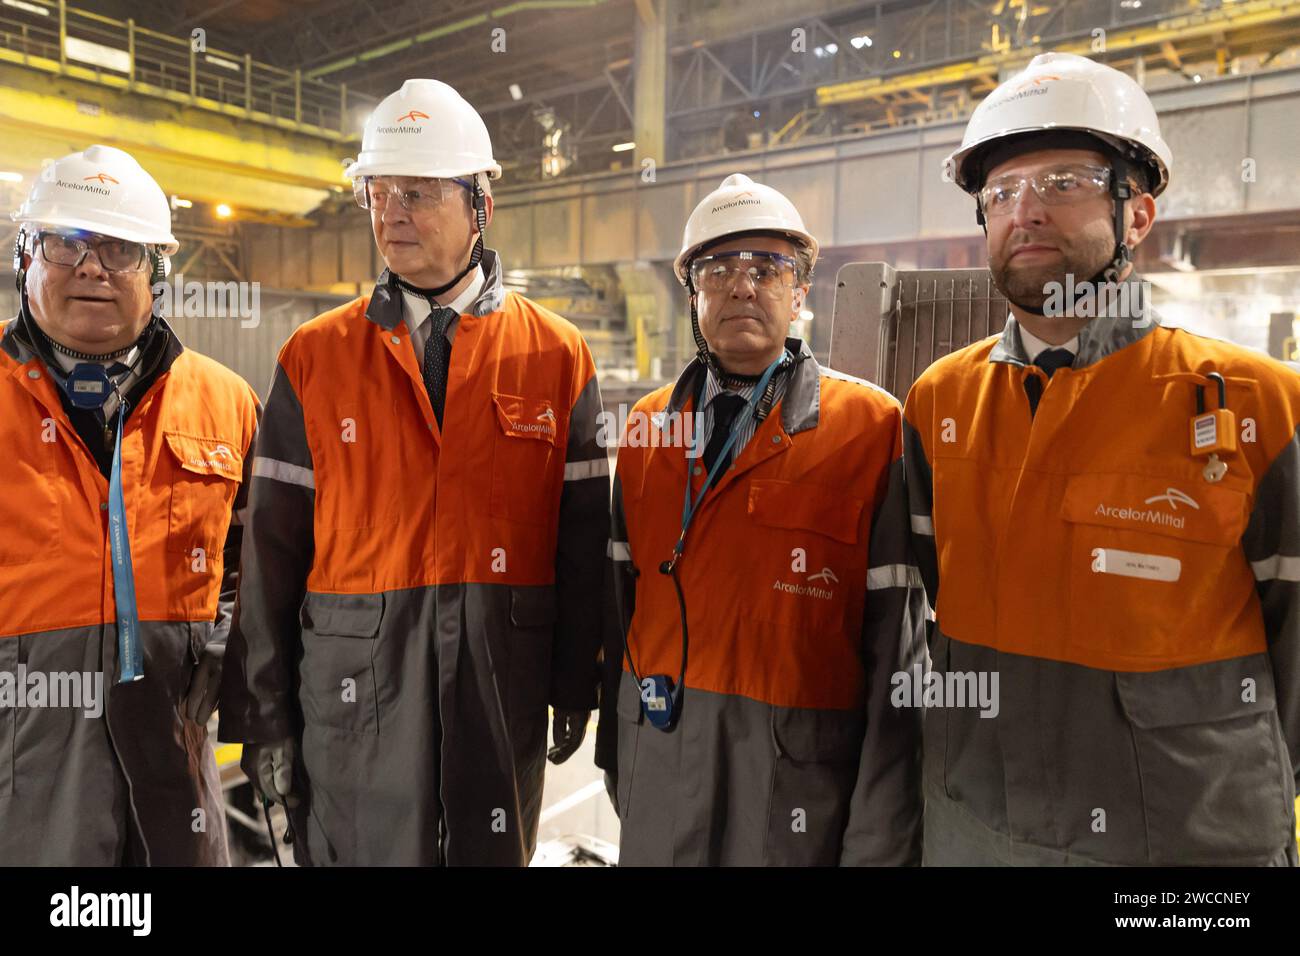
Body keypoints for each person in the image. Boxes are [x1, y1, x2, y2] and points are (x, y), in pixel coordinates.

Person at [905, 51, 1300, 865]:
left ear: (1140, 214)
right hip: (975, 830)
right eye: (1003, 192)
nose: (1027, 211)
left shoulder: (1261, 404)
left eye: (1065, 182)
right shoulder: (938, 401)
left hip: (1184, 851)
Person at [220, 78, 608, 866]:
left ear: (480, 206)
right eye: (379, 192)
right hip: (356, 700)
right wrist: (262, 715)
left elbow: (585, 542)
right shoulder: (315, 358)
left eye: (420, 193)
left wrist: (577, 678)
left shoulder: (555, 355)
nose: (392, 213)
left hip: (498, 688)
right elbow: (270, 555)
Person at [596, 173, 925, 865]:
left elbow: (896, 649)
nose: (743, 286)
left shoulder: (870, 429)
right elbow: (620, 610)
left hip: (795, 789)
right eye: (719, 269)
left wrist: (879, 834)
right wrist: (619, 755)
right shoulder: (649, 427)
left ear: (800, 292)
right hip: (661, 763)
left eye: (768, 268)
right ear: (694, 293)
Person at [0, 145, 259, 865]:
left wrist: (223, 653)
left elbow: (260, 563)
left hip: (175, 790)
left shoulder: (226, 403)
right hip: (21, 794)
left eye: (118, 248)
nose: (91, 267)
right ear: (25, 258)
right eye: (64, 243)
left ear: (159, 271)